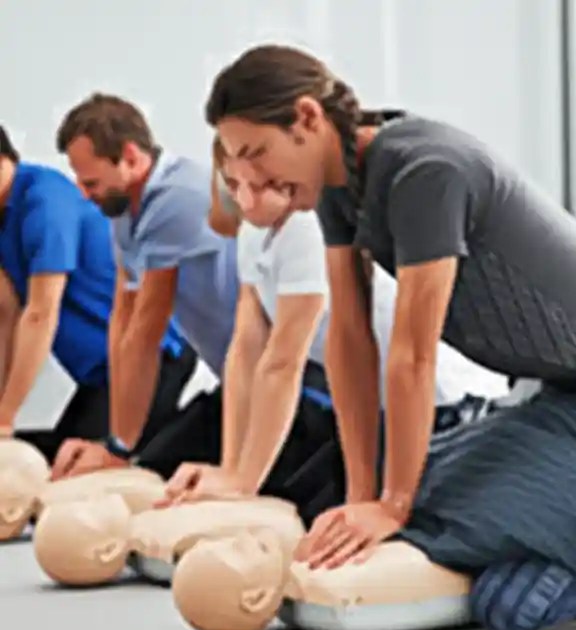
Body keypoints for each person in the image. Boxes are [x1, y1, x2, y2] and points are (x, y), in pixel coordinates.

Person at [204, 44, 576, 630]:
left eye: (255, 152)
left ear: (306, 118)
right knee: (423, 517)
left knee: (517, 603)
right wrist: (363, 496)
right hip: (563, 400)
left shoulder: (424, 169)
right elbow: (352, 341)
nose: (251, 176)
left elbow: (412, 355)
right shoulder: (333, 183)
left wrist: (391, 504)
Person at [161, 140, 510, 524]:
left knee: (349, 539)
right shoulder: (254, 232)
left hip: (447, 407)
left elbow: (282, 363)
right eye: (234, 184)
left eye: (259, 185)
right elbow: (246, 352)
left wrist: (242, 484)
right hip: (377, 411)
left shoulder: (306, 227)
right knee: (311, 516)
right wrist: (230, 469)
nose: (246, 200)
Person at [53, 93, 240, 479]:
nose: (84, 193)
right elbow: (122, 319)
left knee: (161, 478)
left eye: (91, 181)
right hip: (238, 378)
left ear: (131, 156)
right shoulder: (124, 207)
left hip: (290, 376)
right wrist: (115, 440)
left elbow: (145, 331)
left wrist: (119, 447)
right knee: (153, 471)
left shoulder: (176, 197)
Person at [0, 122, 195, 462]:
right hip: (102, 372)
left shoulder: (43, 200)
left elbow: (40, 312)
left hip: (152, 358)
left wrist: (4, 418)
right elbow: (5, 316)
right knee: (55, 457)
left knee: (75, 467)